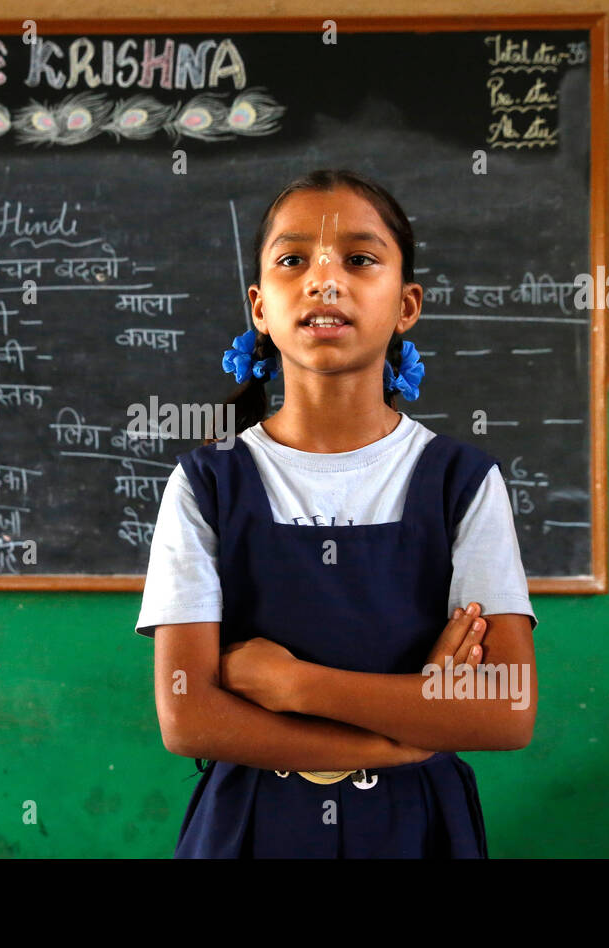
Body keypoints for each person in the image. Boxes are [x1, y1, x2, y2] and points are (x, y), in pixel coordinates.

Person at [135, 169, 538, 858]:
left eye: (359, 258)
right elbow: (189, 717)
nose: (324, 280)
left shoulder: (462, 483)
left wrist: (293, 684)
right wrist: (406, 734)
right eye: (293, 260)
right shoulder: (207, 483)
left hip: (416, 827)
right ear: (260, 307)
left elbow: (502, 711)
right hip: (252, 826)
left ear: (406, 304)